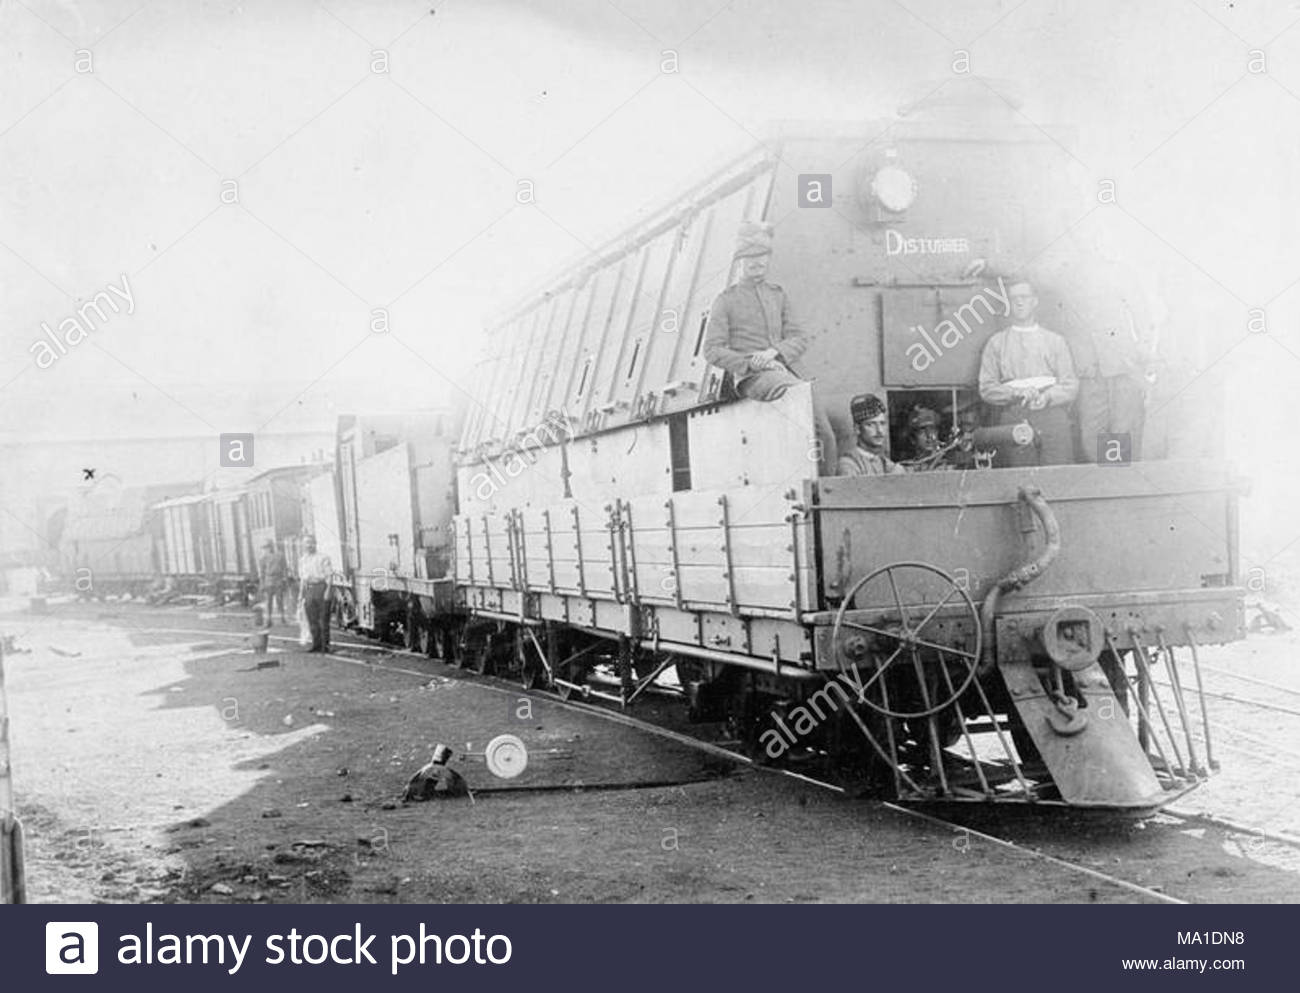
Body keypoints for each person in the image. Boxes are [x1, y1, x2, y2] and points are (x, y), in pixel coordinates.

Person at [703, 220, 838, 475]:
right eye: (750, 256)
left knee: (827, 429)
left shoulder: (778, 295)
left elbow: (798, 338)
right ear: (739, 261)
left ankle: (827, 488)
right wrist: (750, 362)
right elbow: (711, 349)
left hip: (782, 370)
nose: (758, 262)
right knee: (803, 400)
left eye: (763, 255)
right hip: (753, 378)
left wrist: (773, 352)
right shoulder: (726, 301)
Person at [977, 280, 1078, 466]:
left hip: (1051, 414)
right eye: (1014, 298)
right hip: (1013, 414)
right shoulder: (996, 343)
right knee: (1020, 479)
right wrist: (1016, 393)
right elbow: (986, 388)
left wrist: (1047, 397)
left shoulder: (1055, 341)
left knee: (1059, 474)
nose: (1019, 302)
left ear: (1035, 301)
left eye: (1024, 297)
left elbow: (1070, 385)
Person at [837, 393, 906, 476]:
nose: (879, 430)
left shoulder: (885, 463)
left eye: (882, 423)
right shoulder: (848, 465)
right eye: (871, 424)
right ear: (857, 429)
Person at [297, 534, 333, 653]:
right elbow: (302, 578)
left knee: (323, 619)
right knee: (312, 619)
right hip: (309, 590)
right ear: (303, 545)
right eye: (306, 543)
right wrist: (301, 595)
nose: (309, 545)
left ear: (315, 544)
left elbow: (329, 576)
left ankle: (325, 646)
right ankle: (316, 644)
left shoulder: (323, 557)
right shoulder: (302, 560)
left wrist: (328, 591)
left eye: (311, 543)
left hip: (321, 588)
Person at [257, 539, 289, 625]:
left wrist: (285, 579)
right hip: (269, 580)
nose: (267, 549)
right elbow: (261, 572)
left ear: (272, 546)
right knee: (269, 601)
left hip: (278, 580)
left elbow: (285, 568)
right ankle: (269, 619)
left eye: (268, 546)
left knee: (280, 600)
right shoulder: (263, 558)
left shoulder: (280, 555)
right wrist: (262, 584)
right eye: (265, 547)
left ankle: (282, 617)